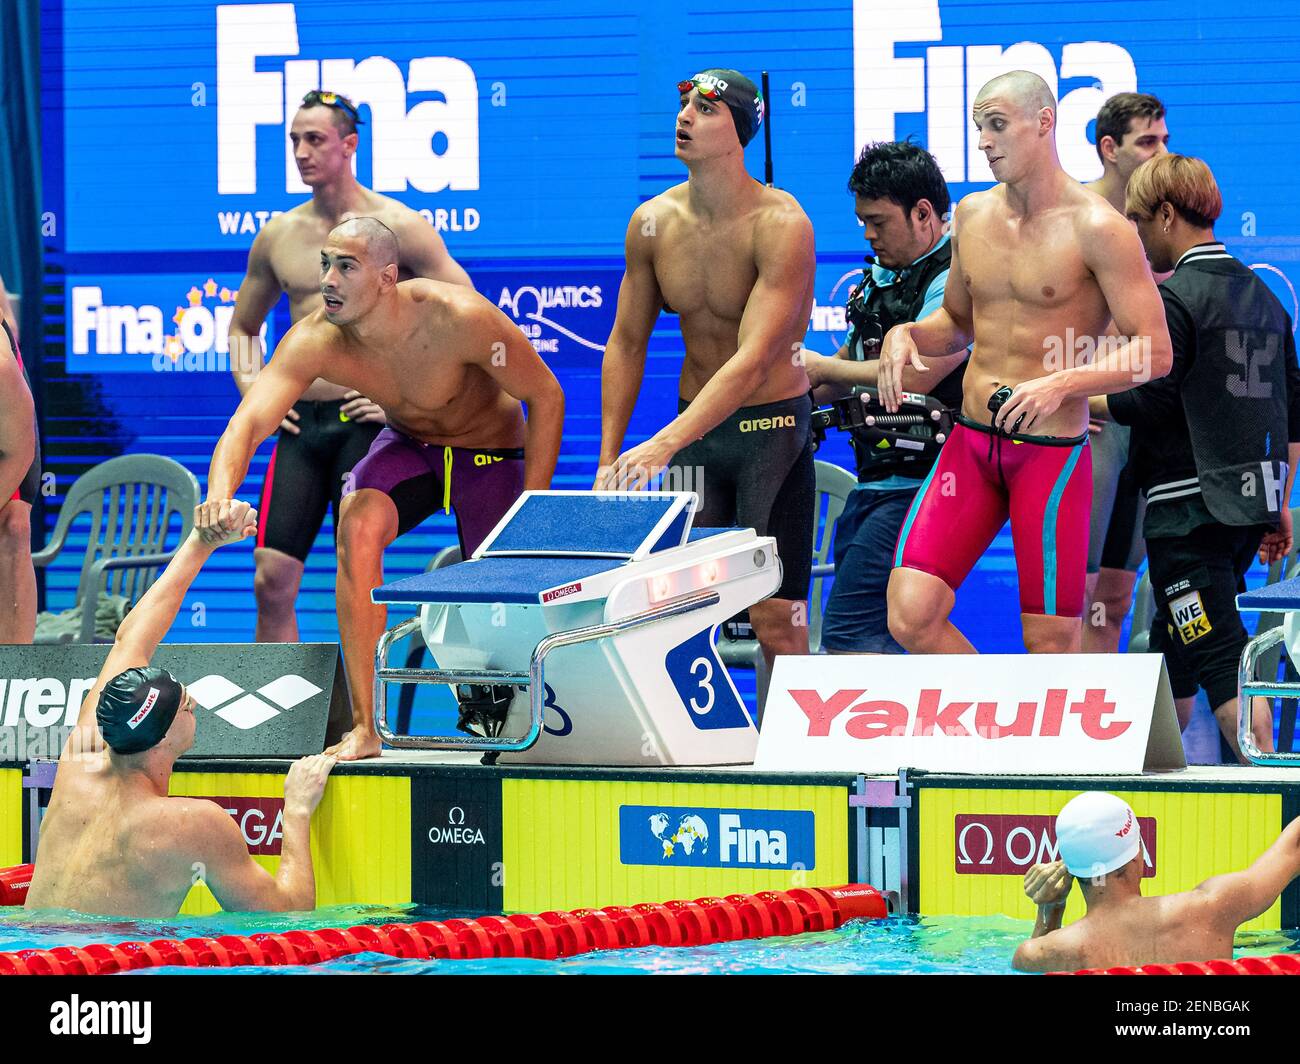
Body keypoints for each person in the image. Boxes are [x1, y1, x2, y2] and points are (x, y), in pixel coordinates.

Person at [200, 216, 565, 760]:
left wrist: (533, 505)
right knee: (357, 522)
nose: (329, 279)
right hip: (412, 446)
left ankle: (524, 722)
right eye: (325, 264)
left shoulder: (459, 317)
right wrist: (220, 494)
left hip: (491, 455)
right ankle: (366, 728)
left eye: (346, 267)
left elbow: (547, 396)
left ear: (387, 278)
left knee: (504, 593)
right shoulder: (316, 340)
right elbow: (248, 424)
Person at [876, 70, 1172, 654]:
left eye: (997, 124)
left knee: (1052, 645)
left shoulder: (1100, 229)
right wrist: (903, 333)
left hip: (1049, 459)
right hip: (970, 443)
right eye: (979, 127)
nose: (984, 141)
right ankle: (994, 732)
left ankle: (1031, 740)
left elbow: (1155, 350)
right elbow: (957, 326)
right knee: (910, 613)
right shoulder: (972, 216)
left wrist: (1062, 384)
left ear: (1044, 122)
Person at [228, 90, 472, 643]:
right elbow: (243, 329)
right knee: (270, 580)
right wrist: (254, 392)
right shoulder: (279, 236)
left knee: (355, 569)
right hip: (300, 430)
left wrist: (402, 396)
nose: (300, 151)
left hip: (366, 425)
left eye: (314, 139)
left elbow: (466, 316)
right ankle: (284, 725)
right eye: (294, 140)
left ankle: (364, 718)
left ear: (349, 144)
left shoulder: (398, 228)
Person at [596, 69, 815, 668]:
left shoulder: (782, 224)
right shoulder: (651, 223)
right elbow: (627, 340)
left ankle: (788, 761)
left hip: (769, 436)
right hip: (694, 440)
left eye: (705, 109)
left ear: (741, 131)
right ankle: (700, 758)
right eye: (684, 105)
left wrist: (660, 445)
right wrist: (609, 460)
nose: (684, 117)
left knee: (777, 618)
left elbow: (751, 363)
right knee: (679, 612)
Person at [24, 499, 337, 917]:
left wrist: (201, 542)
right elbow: (290, 915)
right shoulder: (194, 823)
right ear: (164, 739)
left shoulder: (77, 765)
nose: (195, 702)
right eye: (187, 705)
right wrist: (296, 810)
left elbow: (131, 640)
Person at [1090, 155, 1298, 762]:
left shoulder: (1175, 298)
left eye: (1136, 222)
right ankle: (1163, 790)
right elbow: (1293, 409)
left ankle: (1277, 798)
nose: (1133, 237)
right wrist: (1279, 503)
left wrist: (1072, 394)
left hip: (1188, 513)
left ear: (1167, 215)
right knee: (1175, 652)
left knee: (1218, 654)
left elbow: (1151, 396)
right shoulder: (1267, 297)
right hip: (1244, 508)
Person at [802, 140, 967, 654]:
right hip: (873, 485)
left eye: (878, 221)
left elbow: (913, 377)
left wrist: (823, 366)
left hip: (930, 488)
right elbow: (846, 373)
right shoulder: (875, 285)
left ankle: (1007, 719)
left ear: (923, 213)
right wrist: (786, 376)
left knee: (852, 632)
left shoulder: (957, 279)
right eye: (862, 222)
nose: (869, 235)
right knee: (892, 637)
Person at [1013, 791, 1300, 972]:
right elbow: (1294, 847)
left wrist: (1050, 909)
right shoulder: (1210, 908)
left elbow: (1031, 968)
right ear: (1137, 852)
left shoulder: (1044, 951)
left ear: (1071, 871)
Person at [1082, 93, 1170, 652]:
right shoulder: (1075, 216)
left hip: (1145, 423)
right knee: (1072, 594)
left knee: (1114, 595)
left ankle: (1094, 729)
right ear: (1109, 149)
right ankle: (1054, 721)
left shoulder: (1162, 225)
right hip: (1091, 425)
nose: (1163, 151)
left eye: (1165, 139)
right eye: (1148, 142)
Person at [0, 312, 38, 643]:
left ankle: (14, 676)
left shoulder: (0, 367)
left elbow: (19, 452)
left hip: (9, 443)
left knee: (13, 526)